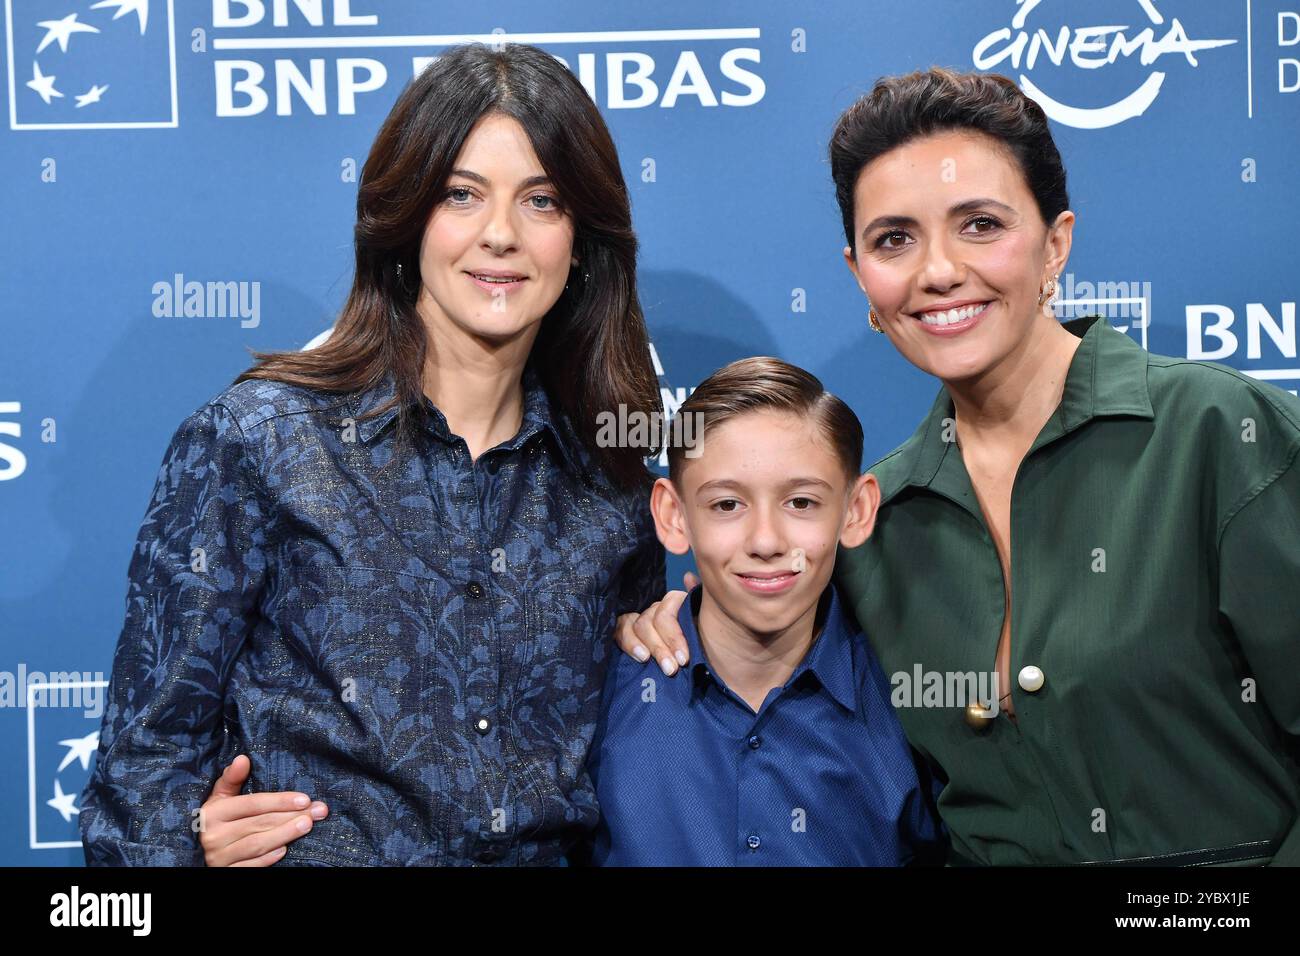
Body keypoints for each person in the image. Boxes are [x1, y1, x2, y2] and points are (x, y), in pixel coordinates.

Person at [615, 67, 1300, 866]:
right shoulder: (880, 523)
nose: (937, 270)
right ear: (859, 278)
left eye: (979, 224)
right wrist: (660, 629)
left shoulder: (1221, 437)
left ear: (1056, 243)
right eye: (894, 239)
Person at [80, 42, 666, 867]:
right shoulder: (257, 443)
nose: (501, 234)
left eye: (542, 200)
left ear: (582, 240)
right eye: (462, 195)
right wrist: (185, 844)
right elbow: (138, 777)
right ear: (406, 219)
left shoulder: (612, 482)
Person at [579, 357, 946, 866]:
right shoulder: (594, 697)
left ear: (856, 511)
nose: (767, 541)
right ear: (673, 515)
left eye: (801, 502)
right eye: (727, 505)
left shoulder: (915, 704)